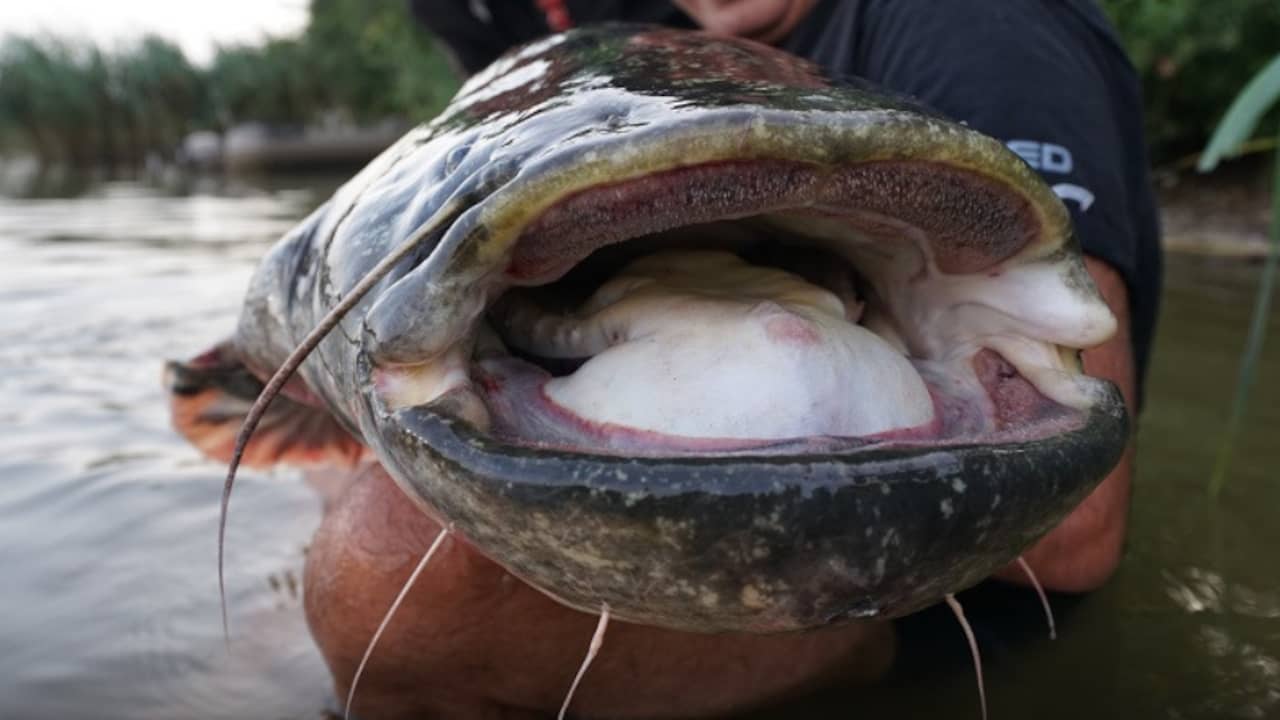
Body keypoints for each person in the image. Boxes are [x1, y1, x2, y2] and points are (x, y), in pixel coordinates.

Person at [304, 1, 1161, 716]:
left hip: (952, 623)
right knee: (352, 485)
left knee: (383, 579)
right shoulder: (661, 43)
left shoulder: (978, 21)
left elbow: (1075, 537)